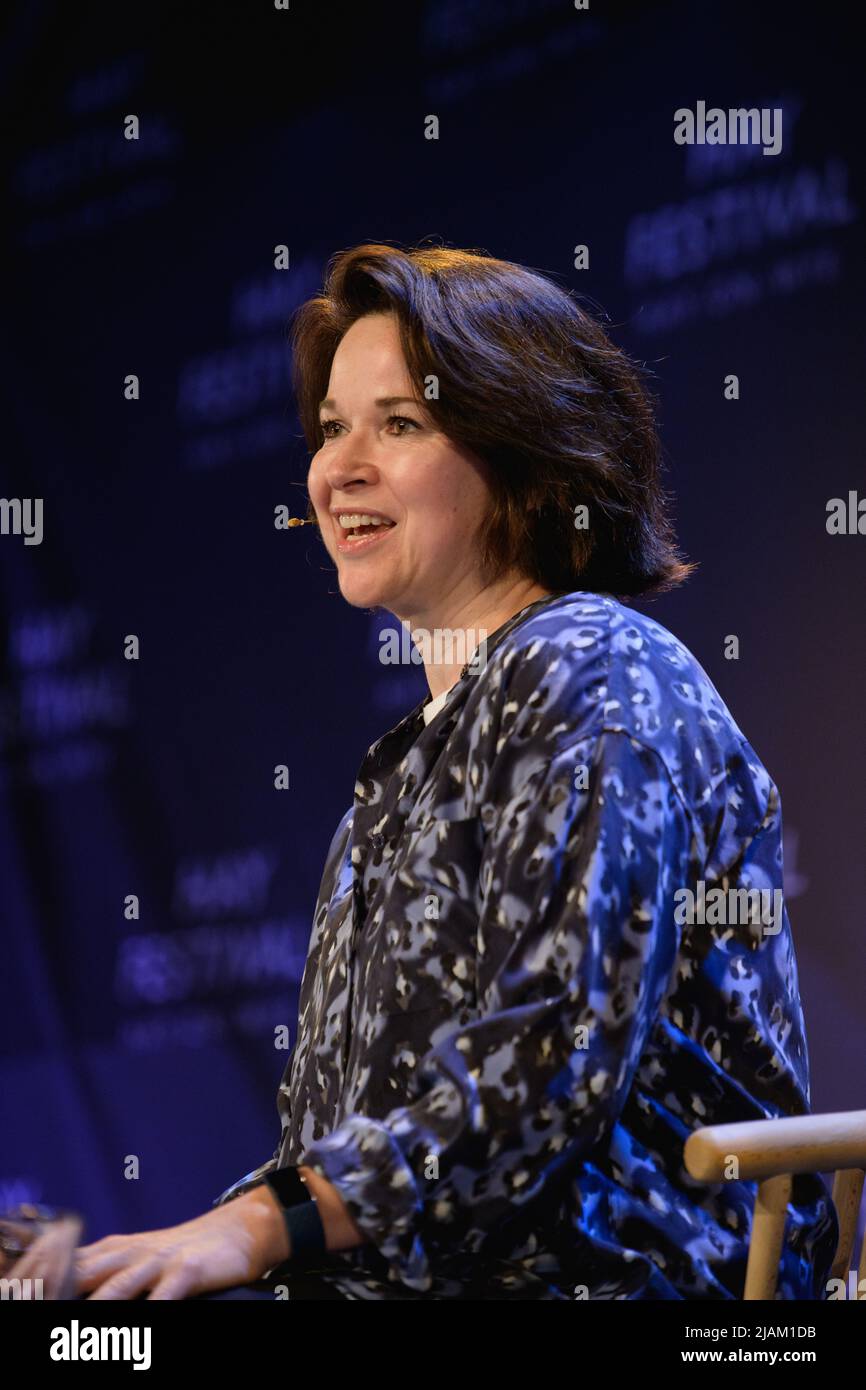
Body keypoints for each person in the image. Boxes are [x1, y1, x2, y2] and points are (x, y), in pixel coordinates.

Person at [26, 242, 839, 1300]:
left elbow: (544, 1062)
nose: (337, 468)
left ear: (525, 454)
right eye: (330, 428)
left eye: (398, 424)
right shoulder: (403, 771)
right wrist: (133, 1263)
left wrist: (257, 1228)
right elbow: (360, 1151)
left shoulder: (594, 668)